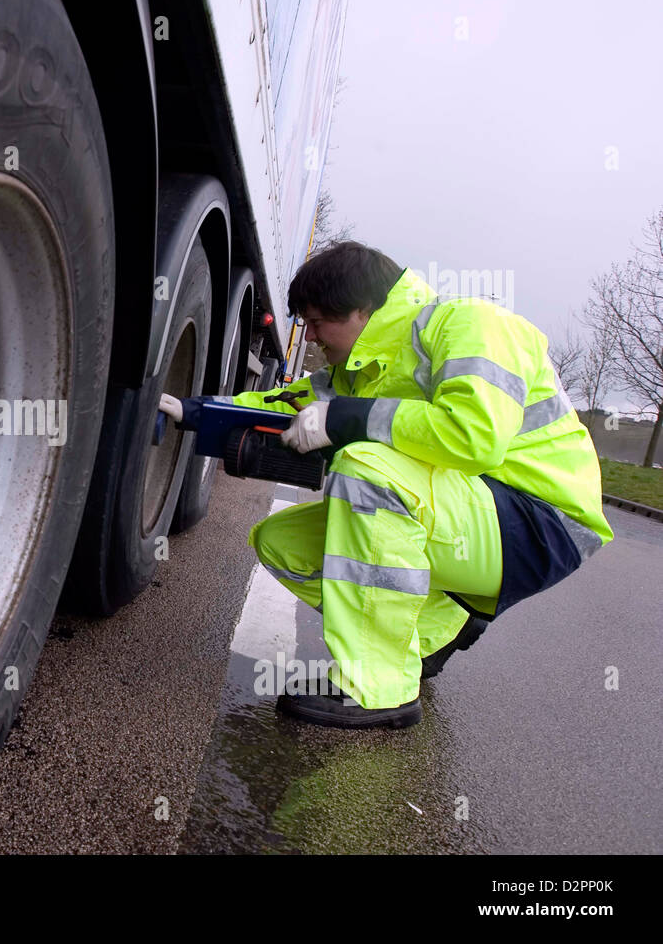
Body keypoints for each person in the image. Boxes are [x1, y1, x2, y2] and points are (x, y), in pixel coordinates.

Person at [170, 241, 613, 728]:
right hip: (473, 513)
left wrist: (346, 418)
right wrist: (191, 412)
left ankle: (378, 687)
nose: (313, 339)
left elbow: (474, 437)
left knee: (366, 467)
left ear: (362, 309)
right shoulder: (360, 368)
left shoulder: (473, 324)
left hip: (542, 522)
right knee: (281, 544)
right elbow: (282, 405)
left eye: (317, 323)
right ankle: (426, 638)